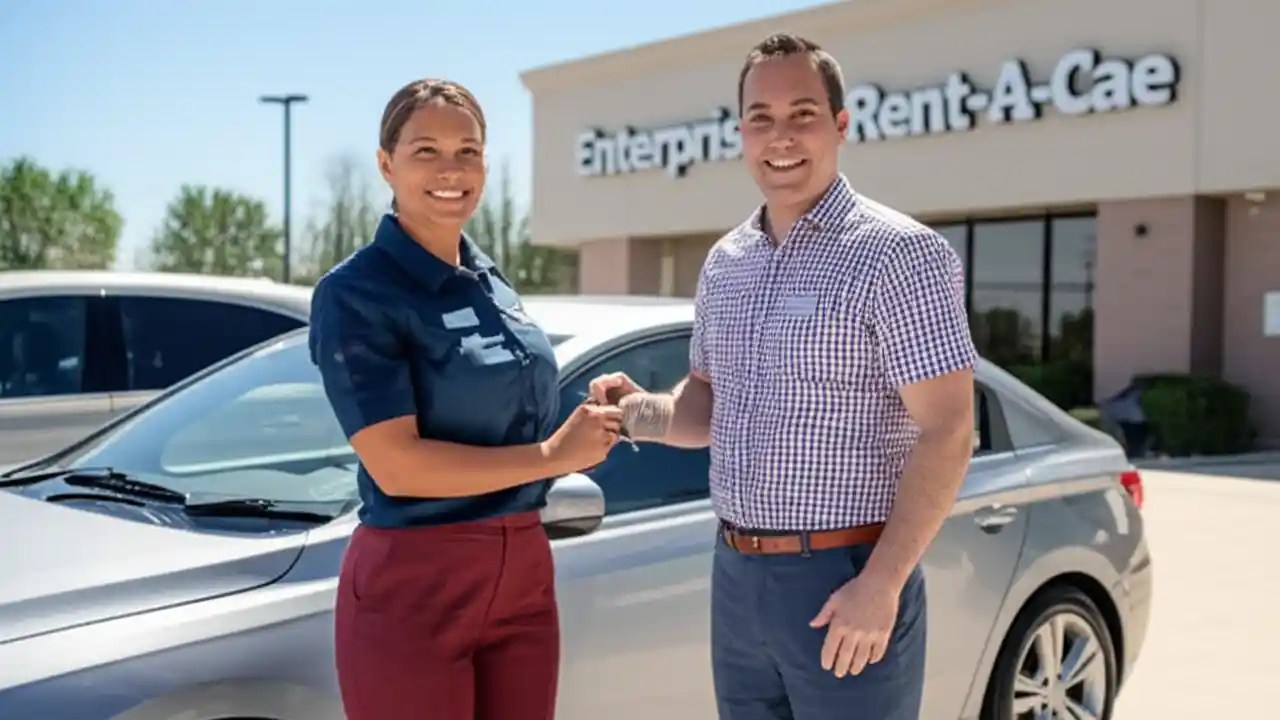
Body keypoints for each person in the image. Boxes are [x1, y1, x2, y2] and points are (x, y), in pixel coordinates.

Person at [591, 34, 977, 720]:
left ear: (840, 124)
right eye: (761, 118)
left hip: (845, 581)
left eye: (802, 113)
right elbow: (707, 405)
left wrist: (882, 584)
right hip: (736, 576)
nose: (781, 137)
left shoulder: (901, 256)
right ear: (741, 131)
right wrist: (634, 412)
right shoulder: (726, 262)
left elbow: (948, 430)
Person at [308, 77, 624, 720]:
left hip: (524, 575)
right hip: (415, 584)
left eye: (469, 151)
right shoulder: (356, 293)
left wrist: (592, 417)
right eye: (426, 151)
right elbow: (398, 466)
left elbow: (508, 416)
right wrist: (553, 456)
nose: (452, 170)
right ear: (385, 164)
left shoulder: (491, 283)